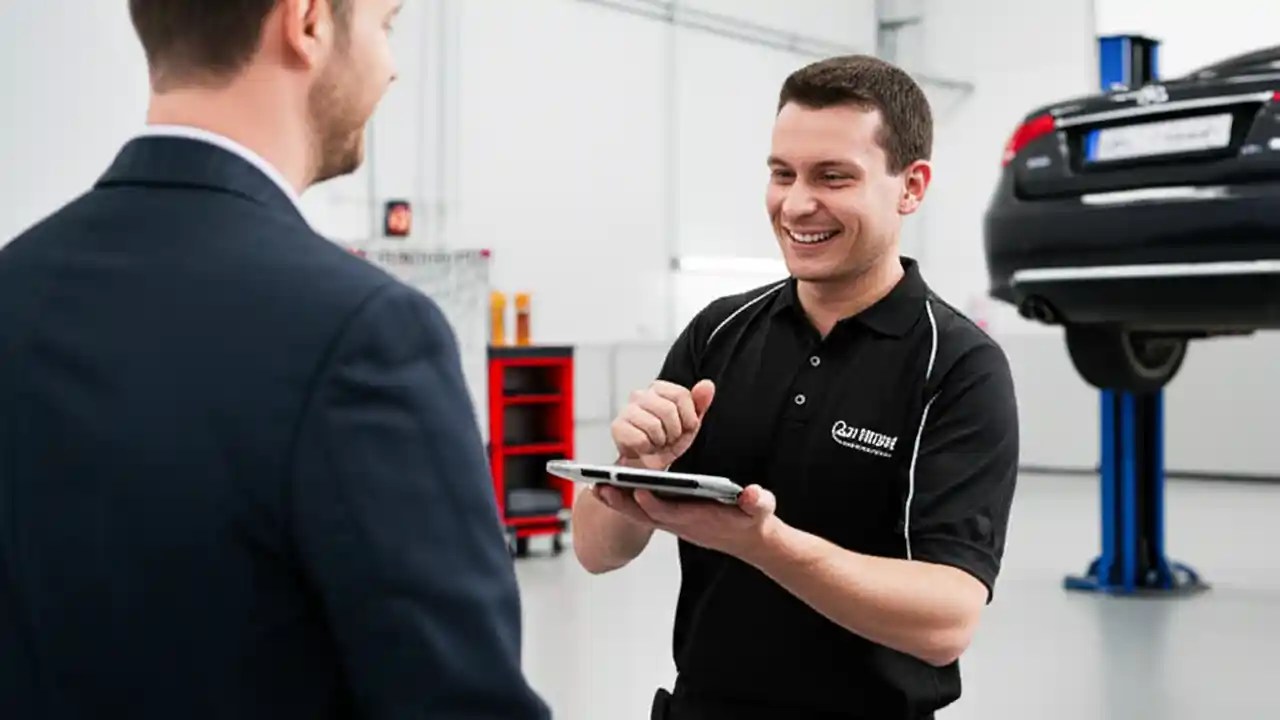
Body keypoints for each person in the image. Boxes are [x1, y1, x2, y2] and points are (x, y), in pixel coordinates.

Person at [0, 1, 549, 718]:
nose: (391, 66)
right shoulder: (368, 335)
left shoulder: (16, 287)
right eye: (385, 25)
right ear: (309, 21)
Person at [572, 54, 1019, 720]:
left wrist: (762, 543)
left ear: (911, 186)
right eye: (783, 174)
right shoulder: (719, 333)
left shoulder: (955, 366)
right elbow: (594, 550)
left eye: (833, 177)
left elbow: (946, 621)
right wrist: (637, 468)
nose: (797, 203)